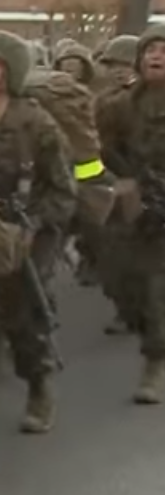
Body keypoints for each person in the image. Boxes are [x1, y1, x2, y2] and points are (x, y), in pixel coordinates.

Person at [0, 31, 78, 433]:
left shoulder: (36, 123)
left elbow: (63, 189)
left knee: (27, 311)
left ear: (12, 73)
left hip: (28, 230)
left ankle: (39, 385)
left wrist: (36, 226)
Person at [96, 24, 165, 403]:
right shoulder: (117, 106)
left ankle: (155, 364)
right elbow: (96, 152)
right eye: (150, 50)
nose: (157, 56)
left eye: (164, 50)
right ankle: (143, 326)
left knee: (156, 287)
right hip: (131, 207)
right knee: (122, 282)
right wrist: (115, 182)